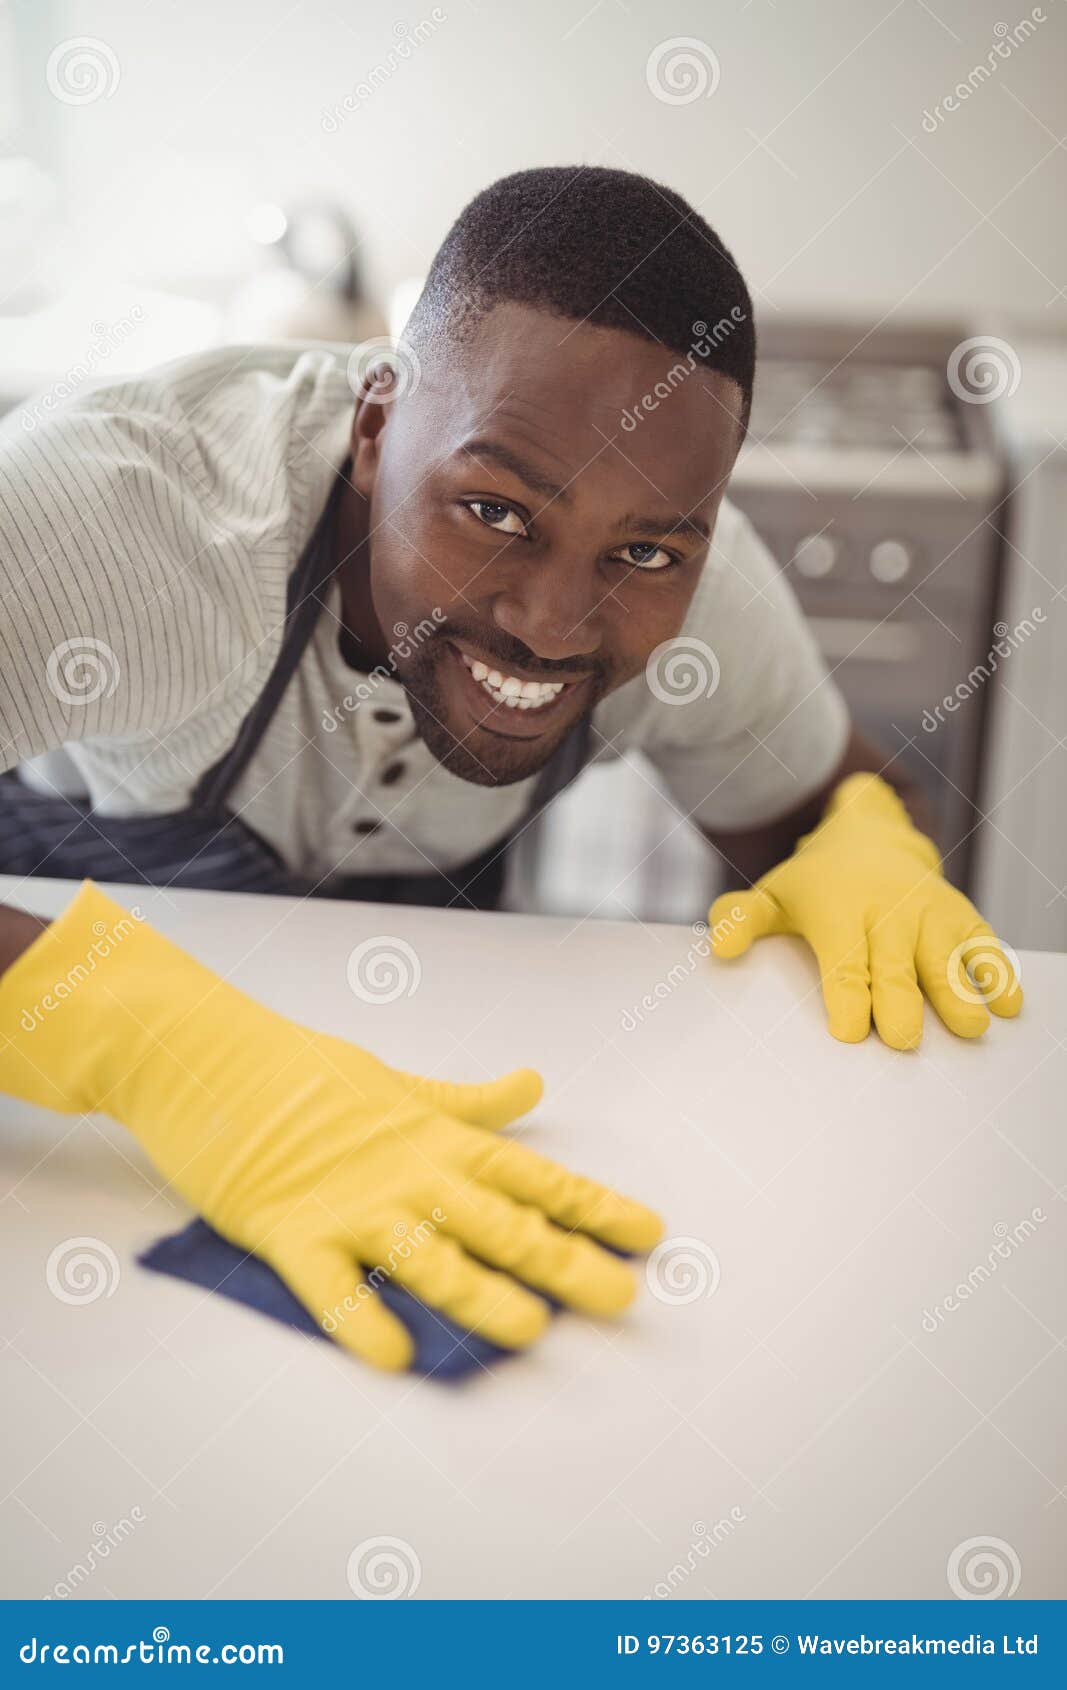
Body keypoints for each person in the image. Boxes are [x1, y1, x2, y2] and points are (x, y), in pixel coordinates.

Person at [0, 167, 1021, 1371]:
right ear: (376, 425)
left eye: (642, 550)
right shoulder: (116, 523)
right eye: (492, 512)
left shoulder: (711, 597)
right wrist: (146, 1044)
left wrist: (866, 842)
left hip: (432, 1120)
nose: (550, 621)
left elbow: (832, 806)